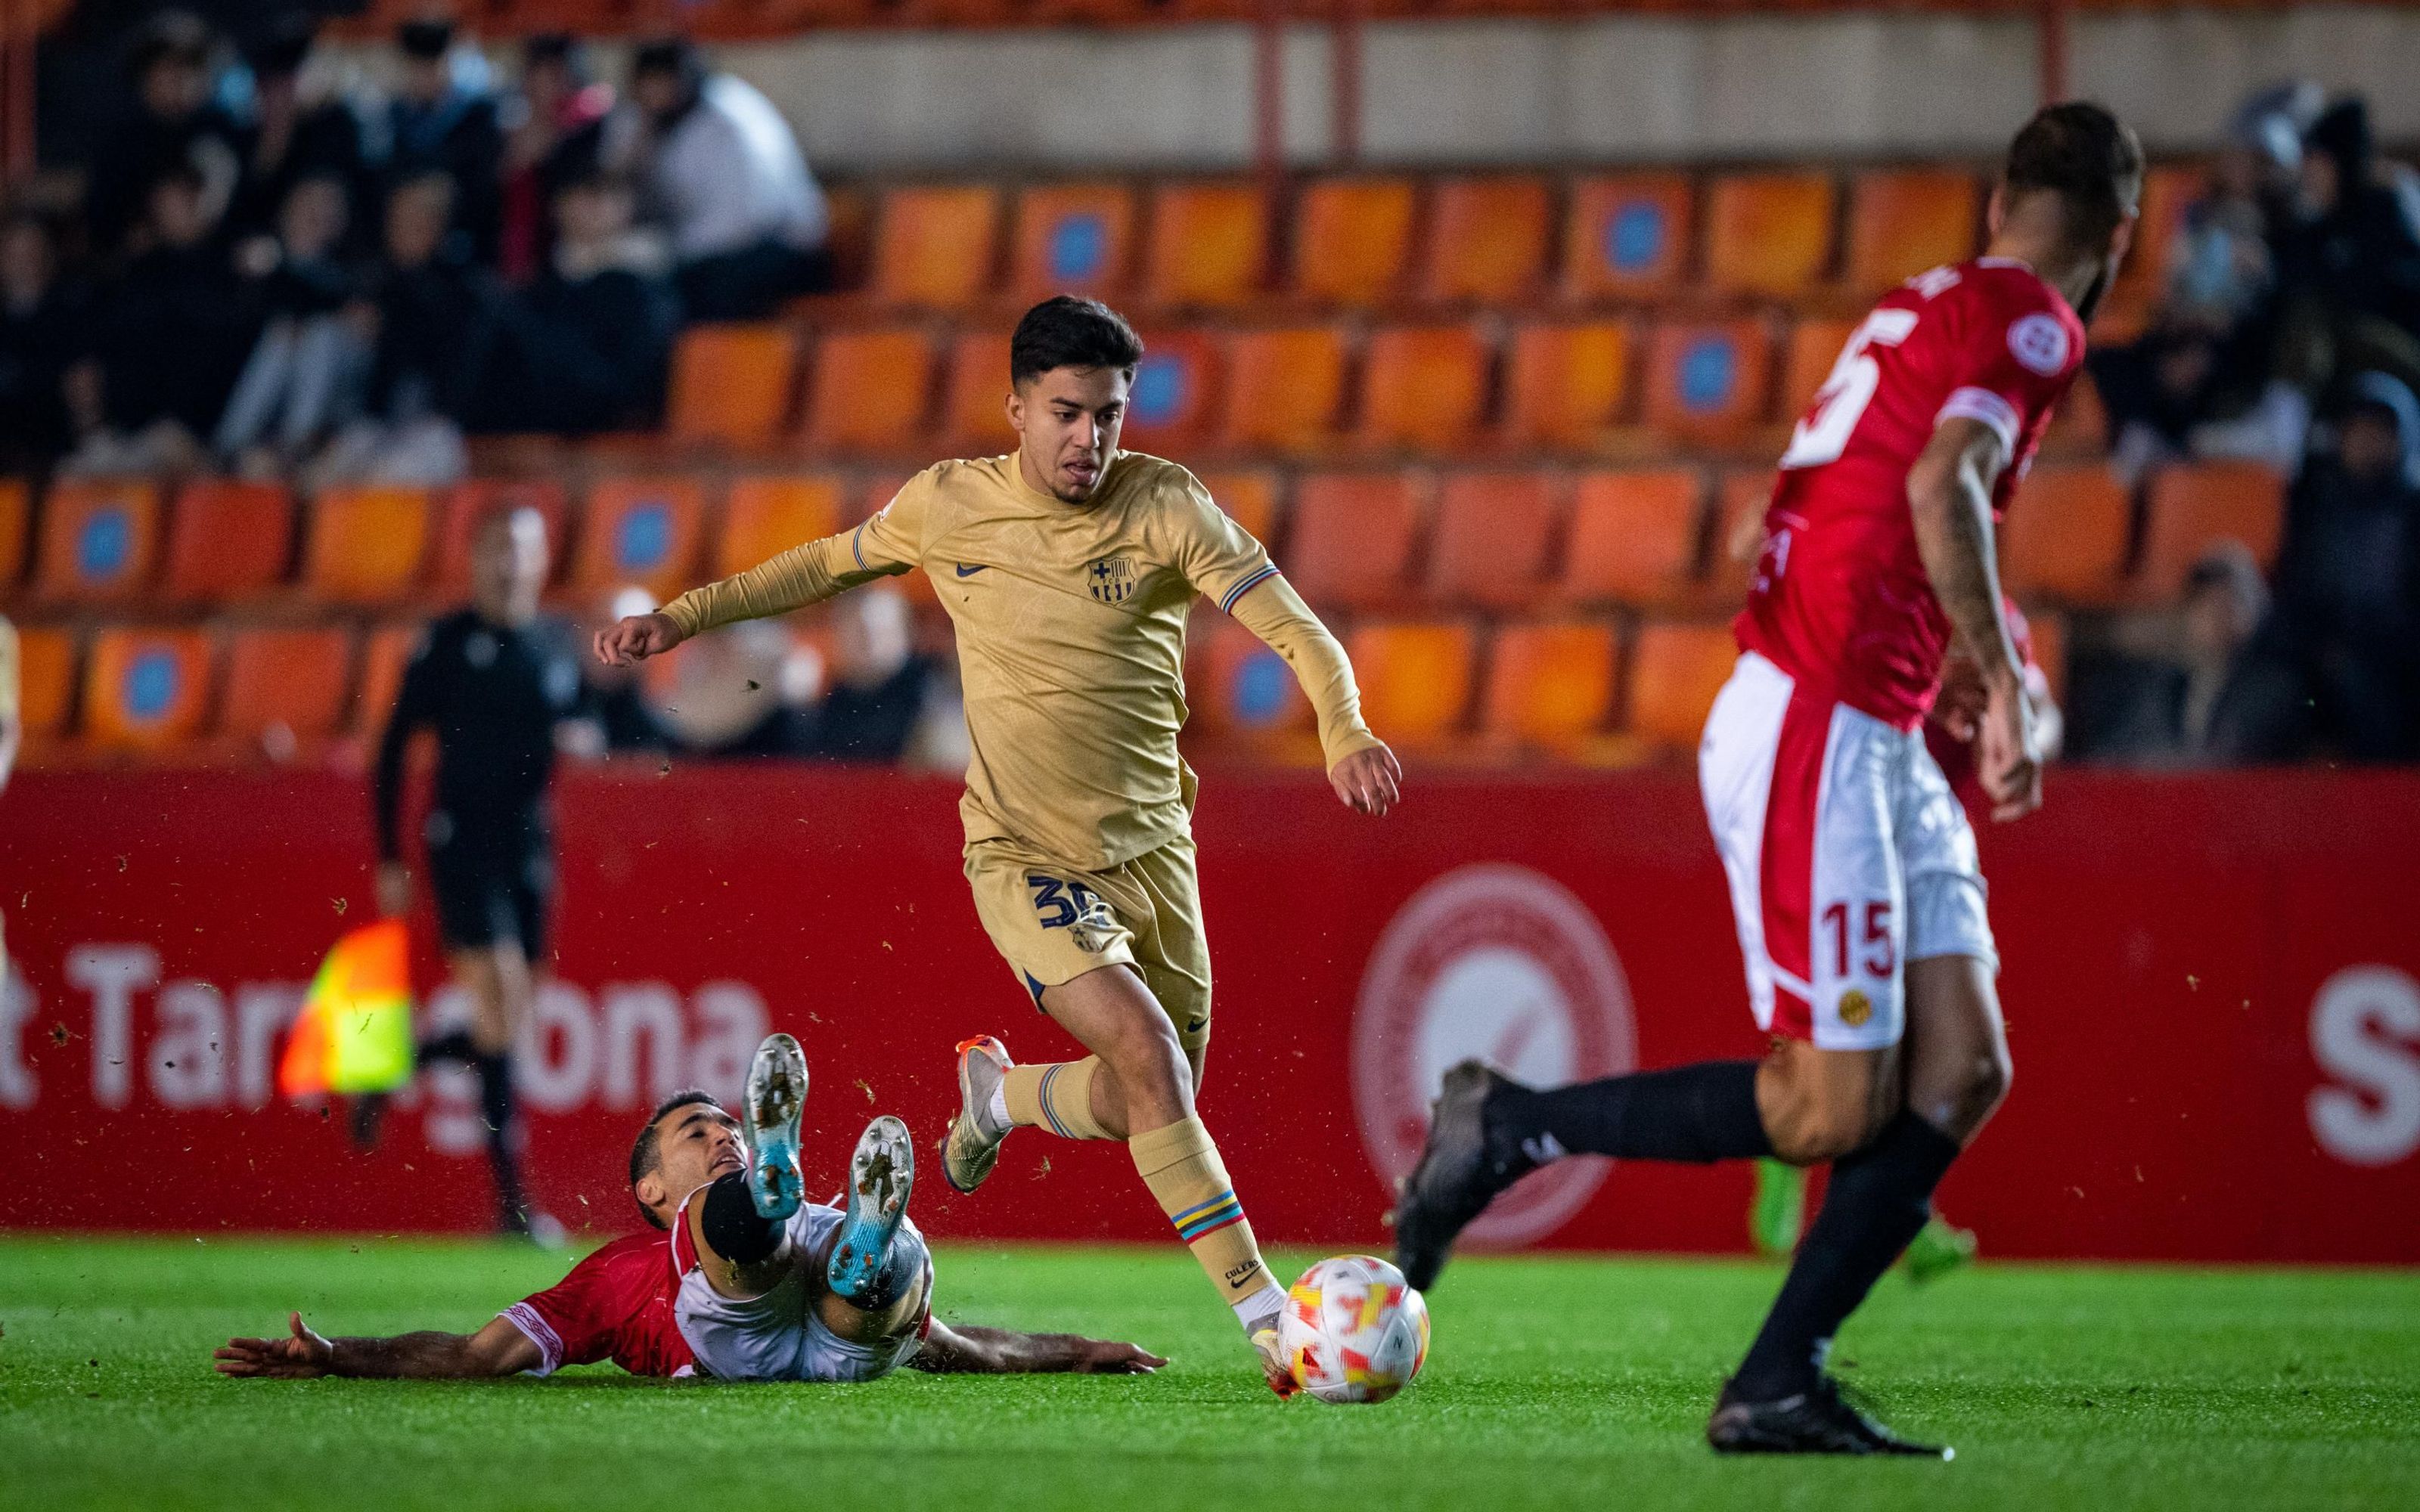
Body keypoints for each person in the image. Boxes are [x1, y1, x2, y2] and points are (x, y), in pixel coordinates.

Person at [1392, 103, 2142, 1456]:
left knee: (1963, 1067)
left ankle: (1777, 1382)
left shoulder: (1919, 307)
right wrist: (2011, 680)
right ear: (2121, 236)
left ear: (1996, 203)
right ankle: (1508, 1126)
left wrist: (1952, 652)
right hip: (1825, 720)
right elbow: (1941, 487)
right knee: (1827, 1105)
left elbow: (1807, 504)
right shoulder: (2038, 323)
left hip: (1871, 716)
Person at [596, 296, 1401, 1396]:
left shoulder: (1167, 506)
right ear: (1016, 408)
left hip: (1157, 853)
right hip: (1024, 852)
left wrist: (1343, 724)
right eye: (1067, 413)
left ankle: (1002, 1100)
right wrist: (684, 618)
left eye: (1109, 416)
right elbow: (823, 567)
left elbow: (1297, 630)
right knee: (1151, 1055)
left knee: (1143, 1098)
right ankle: (1271, 1320)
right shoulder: (950, 505)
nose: (1090, 439)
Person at [215, 1060, 1163, 1383]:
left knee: (890, 1290)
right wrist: (339, 1352)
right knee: (745, 1260)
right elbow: (475, 1353)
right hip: (730, 1327)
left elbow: (961, 1344)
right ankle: (815, 1229)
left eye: (731, 1125)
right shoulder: (610, 1273)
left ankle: (870, 1249)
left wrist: (1076, 1348)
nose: (719, 1131)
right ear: (649, 1193)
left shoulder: (690, 1221)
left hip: (827, 1336)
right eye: (694, 1129)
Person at [1751, 593, 2063, 1276]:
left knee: (1909, 1040)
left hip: (1926, 843)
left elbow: (2039, 708)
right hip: (1855, 832)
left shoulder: (1997, 614)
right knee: (1867, 1030)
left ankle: (1880, 1203)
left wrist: (2021, 732)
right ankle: (1800, 1153)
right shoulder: (1894, 602)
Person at [369, 506, 597, 1237]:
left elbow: (591, 723)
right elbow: (393, 747)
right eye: (496, 550)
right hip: (461, 842)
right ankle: (514, 1204)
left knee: (510, 1024)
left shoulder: (556, 645)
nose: (509, 564)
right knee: (499, 996)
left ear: (541, 559)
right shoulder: (446, 642)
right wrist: (390, 854)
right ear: (474, 559)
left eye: (521, 550)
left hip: (530, 847)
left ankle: (401, 1065)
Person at [2210, 373, 2420, 761]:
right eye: (2357, 431)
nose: (2366, 443)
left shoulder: (2411, 515)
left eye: (2379, 432)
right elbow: (2296, 594)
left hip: (2394, 666)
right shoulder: (2315, 509)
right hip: (2316, 657)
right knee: (2268, 687)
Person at [63, 161, 261, 478]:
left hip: (200, 432)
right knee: (73, 478)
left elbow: (227, 355)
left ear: (199, 199)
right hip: (131, 431)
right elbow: (107, 342)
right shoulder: (141, 272)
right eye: (161, 202)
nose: (170, 211)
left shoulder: (228, 267)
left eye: (178, 200)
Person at [306, 171, 501, 490]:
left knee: (388, 476)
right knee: (319, 478)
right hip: (378, 426)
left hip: (439, 432)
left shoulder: (469, 293)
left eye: (416, 217)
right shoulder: (378, 284)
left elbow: (456, 384)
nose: (401, 227)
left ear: (439, 224)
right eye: (397, 216)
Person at [620, 36, 829, 320]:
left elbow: (735, 225)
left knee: (690, 296)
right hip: (703, 252)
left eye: (662, 84)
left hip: (779, 248)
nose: (655, 96)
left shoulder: (730, 120)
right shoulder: (642, 123)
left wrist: (663, 254)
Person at [490, 169, 678, 435]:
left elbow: (634, 376)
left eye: (602, 197)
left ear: (627, 207)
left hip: (612, 418)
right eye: (579, 197)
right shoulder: (542, 283)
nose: (589, 209)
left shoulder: (642, 285)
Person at [215, 173, 365, 473]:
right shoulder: (255, 259)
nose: (317, 220)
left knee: (322, 335)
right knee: (282, 336)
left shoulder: (346, 277)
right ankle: (230, 447)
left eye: (327, 214)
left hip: (321, 429)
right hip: (226, 414)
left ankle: (296, 446)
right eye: (309, 209)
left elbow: (335, 302)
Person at [87, 11, 246, 253]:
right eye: (166, 68)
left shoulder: (221, 130)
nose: (177, 79)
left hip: (214, 264)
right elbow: (103, 217)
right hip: (144, 268)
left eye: (187, 68)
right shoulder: (124, 142)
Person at [380, 19, 504, 263]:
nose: (426, 75)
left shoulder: (477, 117)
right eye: (418, 65)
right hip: (401, 254)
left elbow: (485, 189)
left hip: (464, 248)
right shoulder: (391, 118)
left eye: (433, 64)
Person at [497, 33, 613, 284]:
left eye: (560, 76)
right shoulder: (504, 132)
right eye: (544, 74)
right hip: (509, 262)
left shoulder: (590, 132)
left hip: (566, 263)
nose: (553, 86)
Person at [807, 584, 954, 764]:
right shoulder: (828, 704)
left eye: (878, 629)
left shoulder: (927, 689)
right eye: (854, 629)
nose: (866, 641)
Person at [0, 215, 83, 471]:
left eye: (33, 251)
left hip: (57, 456)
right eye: (16, 254)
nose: (26, 263)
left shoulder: (74, 317)